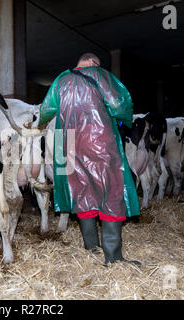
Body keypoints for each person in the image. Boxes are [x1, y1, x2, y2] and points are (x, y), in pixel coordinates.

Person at [38, 53, 141, 266]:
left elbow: (45, 111)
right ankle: (113, 257)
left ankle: (91, 248)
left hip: (66, 144)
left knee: (80, 191)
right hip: (99, 141)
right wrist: (125, 119)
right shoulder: (100, 75)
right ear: (94, 63)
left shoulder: (61, 80)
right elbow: (119, 105)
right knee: (111, 192)